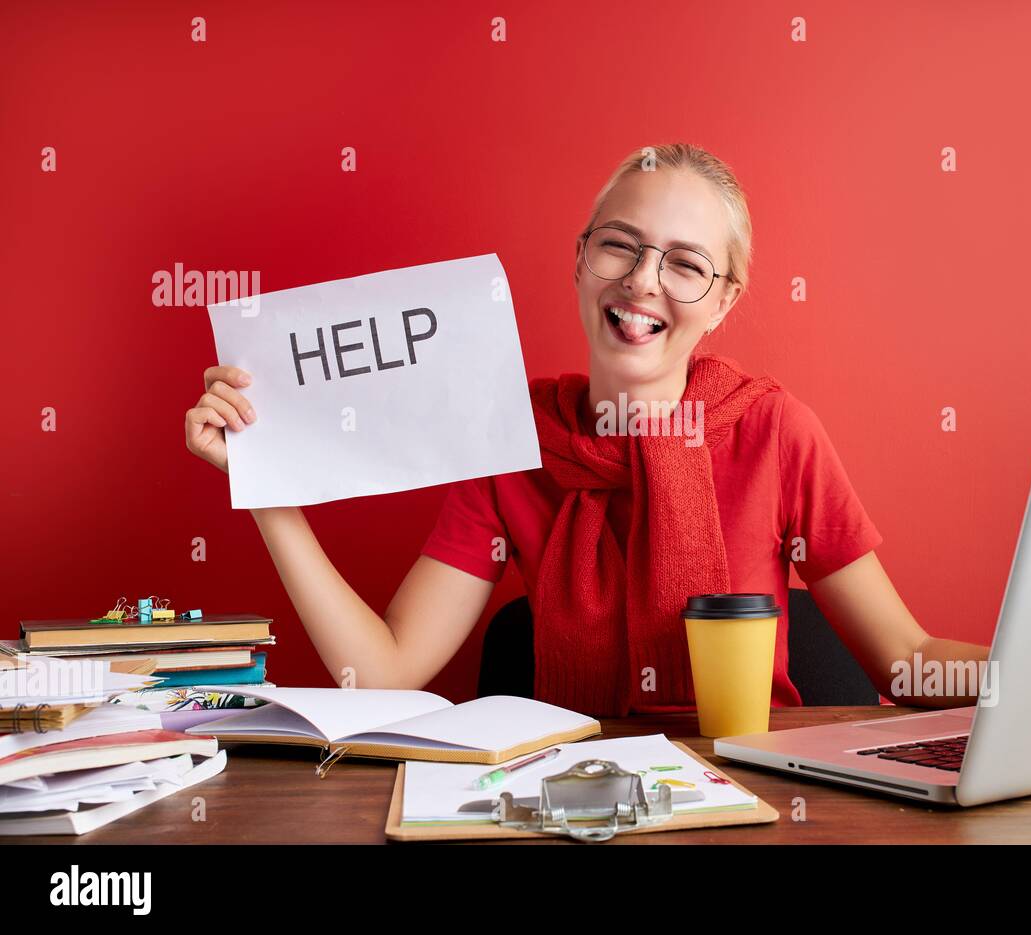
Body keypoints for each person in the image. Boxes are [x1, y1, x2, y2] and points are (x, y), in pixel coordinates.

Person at [184, 142, 988, 717]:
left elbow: (904, 662)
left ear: (723, 302)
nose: (642, 281)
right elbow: (385, 672)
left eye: (685, 264)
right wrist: (269, 485)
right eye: (620, 247)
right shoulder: (508, 436)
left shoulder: (775, 432)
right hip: (573, 800)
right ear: (580, 260)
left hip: (752, 801)